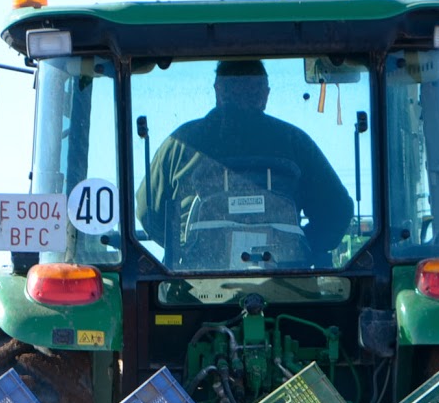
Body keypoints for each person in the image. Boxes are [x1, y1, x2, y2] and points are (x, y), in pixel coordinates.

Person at [137, 60, 351, 270]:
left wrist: (187, 249)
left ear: (218, 91)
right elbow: (337, 212)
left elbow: (147, 212)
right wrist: (298, 248)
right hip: (287, 286)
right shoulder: (296, 143)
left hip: (193, 291)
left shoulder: (180, 144)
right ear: (264, 95)